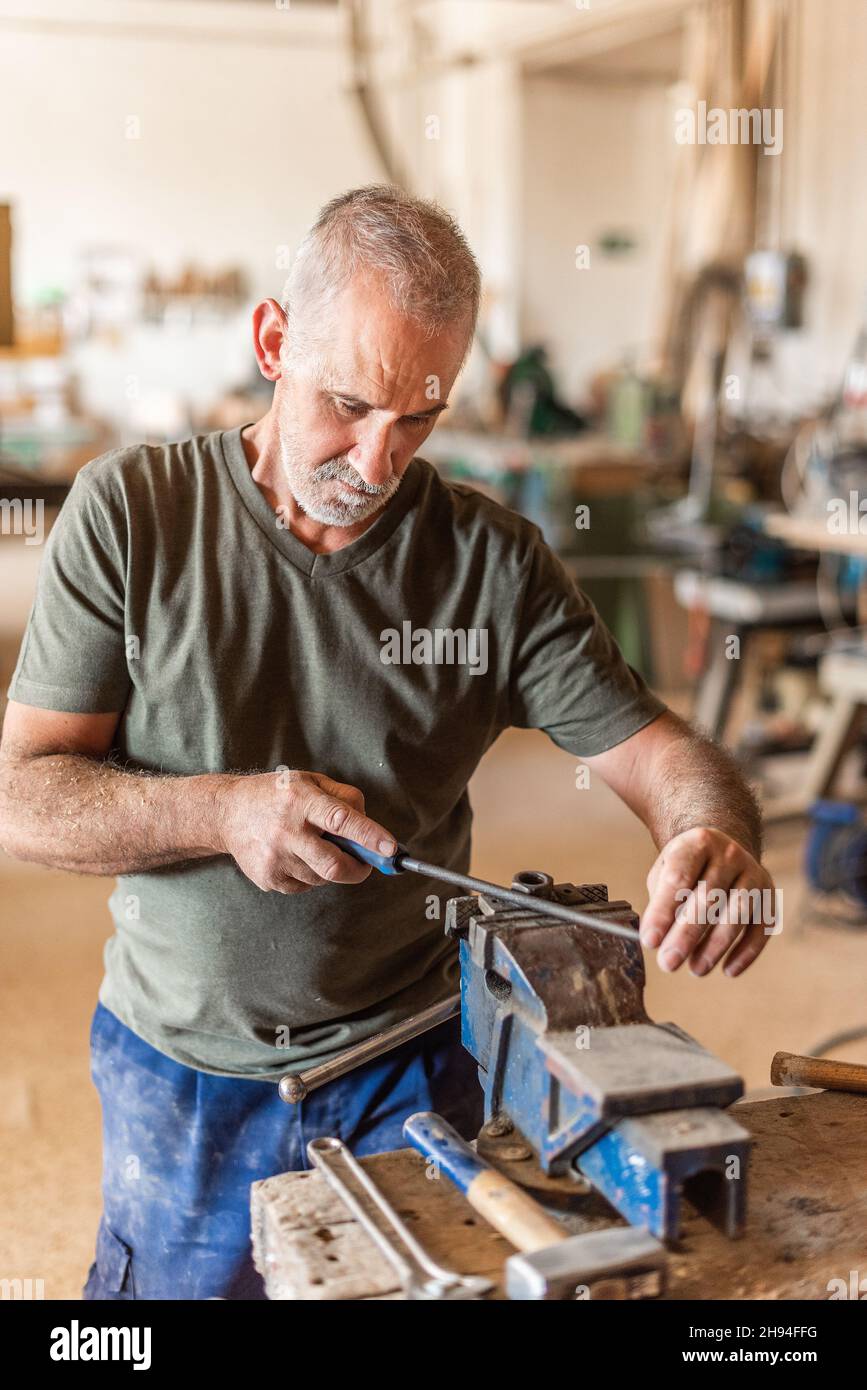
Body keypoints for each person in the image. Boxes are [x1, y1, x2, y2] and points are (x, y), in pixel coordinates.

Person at [0, 184, 774, 1300]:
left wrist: (708, 829)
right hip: (188, 1074)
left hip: (410, 1065)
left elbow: (661, 752)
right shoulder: (134, 515)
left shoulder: (490, 563)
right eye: (348, 401)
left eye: (418, 416)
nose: (374, 460)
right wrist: (221, 812)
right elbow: (24, 798)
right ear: (273, 341)